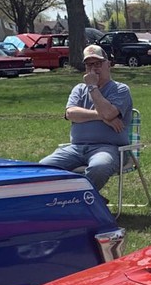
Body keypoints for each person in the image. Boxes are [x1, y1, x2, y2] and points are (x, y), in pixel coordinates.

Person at [39, 44, 133, 190]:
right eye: (89, 65)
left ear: (108, 64)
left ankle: (83, 199)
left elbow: (108, 113)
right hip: (75, 148)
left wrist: (92, 87)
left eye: (98, 64)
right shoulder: (79, 89)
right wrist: (102, 117)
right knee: (43, 168)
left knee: (99, 167)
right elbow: (71, 114)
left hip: (108, 149)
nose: (93, 69)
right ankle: (78, 199)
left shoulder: (120, 89)